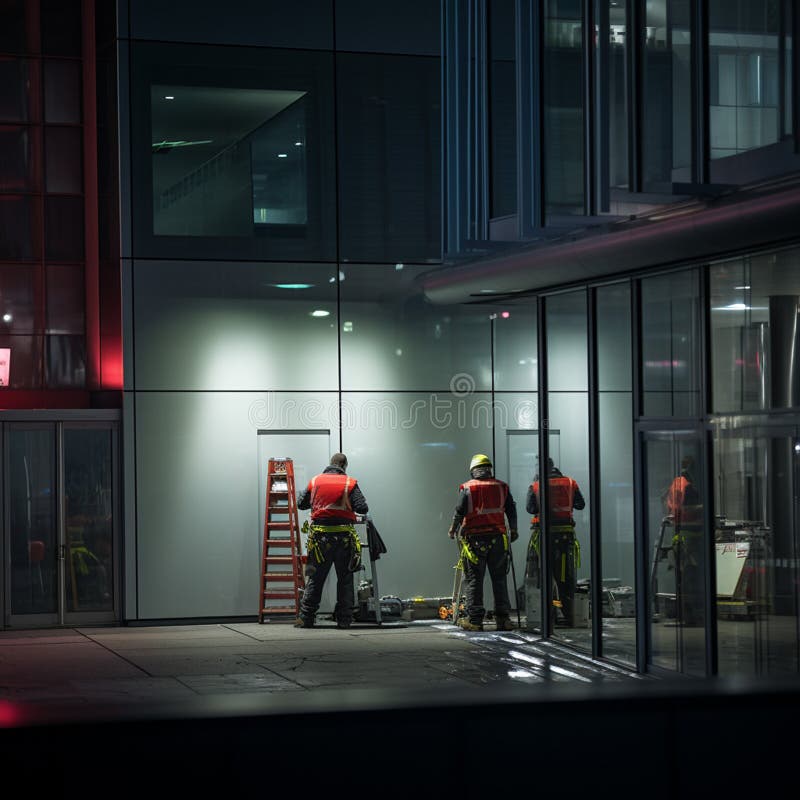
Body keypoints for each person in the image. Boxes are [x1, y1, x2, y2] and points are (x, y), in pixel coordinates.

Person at [294, 453, 369, 629]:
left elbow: (301, 503)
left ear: (330, 464)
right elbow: (362, 507)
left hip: (319, 540)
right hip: (344, 540)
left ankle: (306, 618)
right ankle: (344, 620)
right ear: (344, 466)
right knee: (345, 579)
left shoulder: (315, 481)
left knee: (315, 578)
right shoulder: (349, 483)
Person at [447, 453, 518, 632]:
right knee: (499, 579)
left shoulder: (468, 488)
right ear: (489, 469)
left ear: (473, 471)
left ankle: (475, 621)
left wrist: (453, 529)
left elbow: (459, 511)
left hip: (474, 541)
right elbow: (511, 509)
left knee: (474, 580)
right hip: (498, 540)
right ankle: (503, 619)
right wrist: (514, 530)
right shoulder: (502, 487)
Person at [525, 458, 585, 626]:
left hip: (543, 537)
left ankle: (547, 616)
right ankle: (568, 615)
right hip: (565, 538)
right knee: (565, 577)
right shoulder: (570, 483)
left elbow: (531, 509)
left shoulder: (536, 486)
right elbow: (581, 505)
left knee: (542, 576)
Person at [663, 455, 703, 626]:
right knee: (691, 577)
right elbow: (688, 507)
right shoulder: (689, 487)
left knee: (682, 577)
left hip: (679, 533)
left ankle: (684, 615)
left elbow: (666, 502)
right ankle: (692, 616)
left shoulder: (676, 484)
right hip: (692, 535)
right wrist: (704, 506)